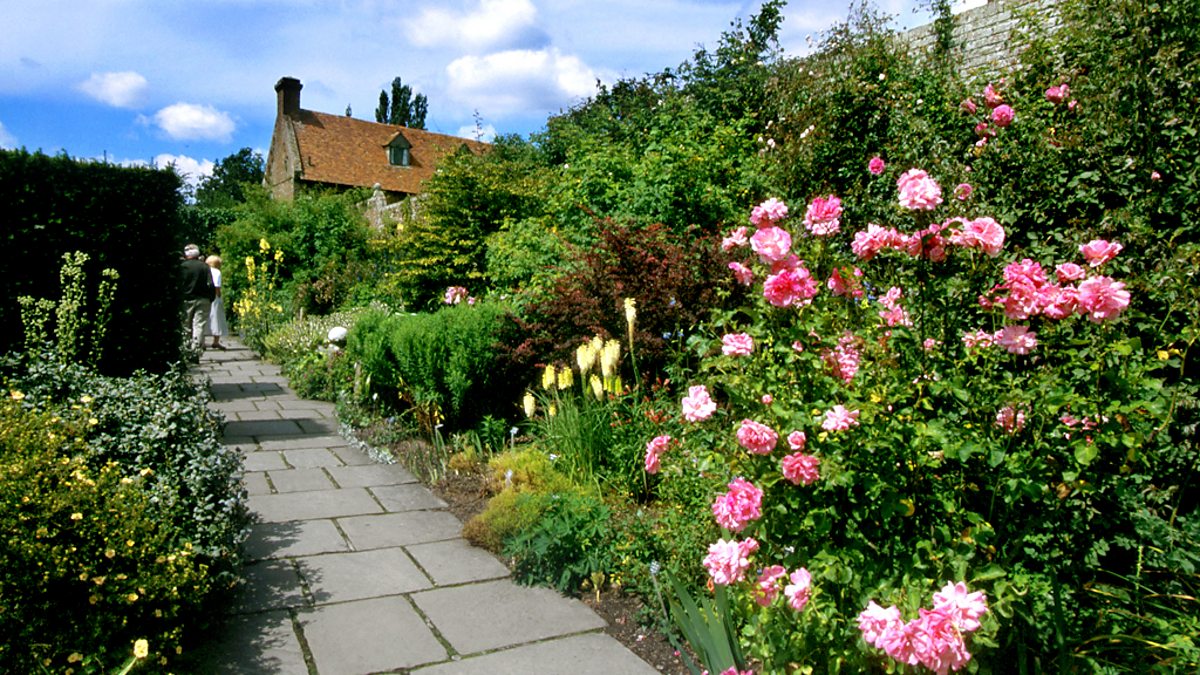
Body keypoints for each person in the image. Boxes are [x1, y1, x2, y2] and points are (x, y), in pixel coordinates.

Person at [180, 244, 214, 355]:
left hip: (186, 299)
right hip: (203, 299)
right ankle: (196, 350)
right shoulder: (204, 266)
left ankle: (186, 349)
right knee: (199, 325)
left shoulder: (182, 267)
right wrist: (211, 298)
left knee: (186, 326)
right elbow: (210, 284)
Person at [205, 255, 228, 349]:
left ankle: (201, 341)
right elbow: (217, 286)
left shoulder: (205, 270)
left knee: (204, 318)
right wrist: (219, 296)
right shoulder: (217, 272)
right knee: (216, 318)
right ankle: (216, 341)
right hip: (214, 297)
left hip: (205, 296)